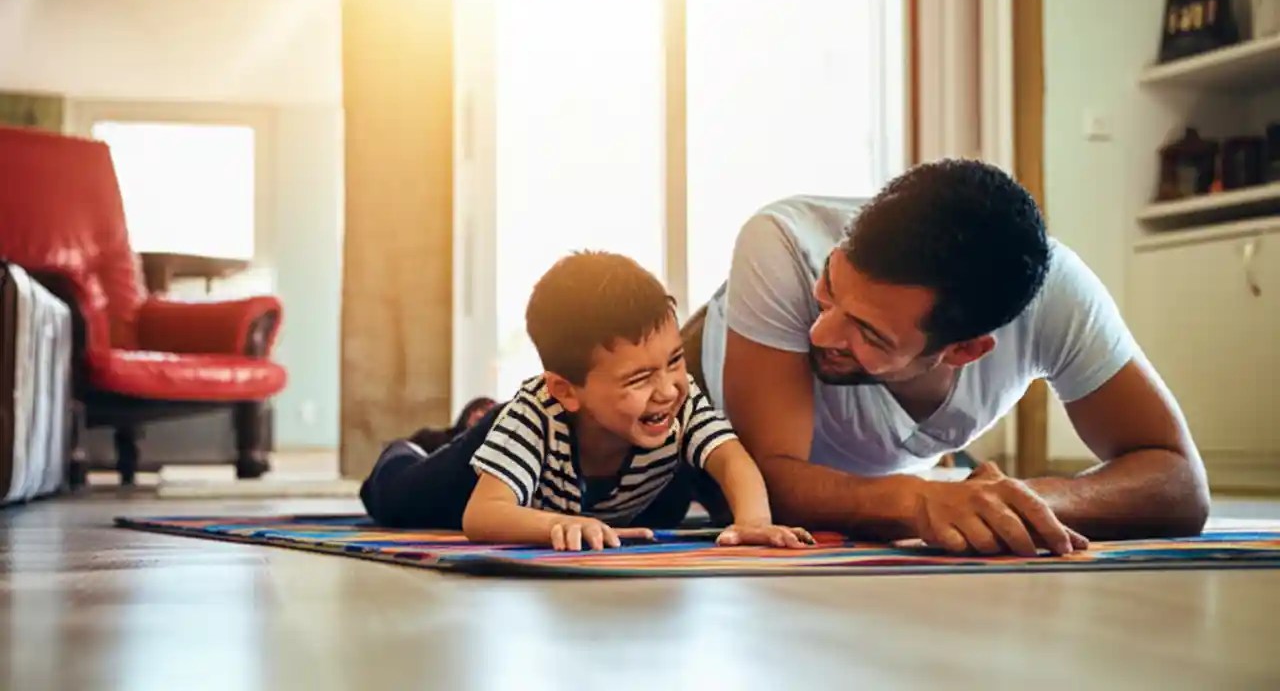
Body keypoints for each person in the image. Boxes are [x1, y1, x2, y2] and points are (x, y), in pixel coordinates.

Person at [682, 159, 1209, 557]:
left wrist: (1022, 499)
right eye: (831, 285)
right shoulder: (782, 244)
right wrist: (915, 501)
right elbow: (768, 481)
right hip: (694, 432)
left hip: (883, 458)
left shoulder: (1057, 298)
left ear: (965, 351)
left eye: (868, 331)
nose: (820, 333)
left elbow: (1180, 482)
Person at [361, 251, 813, 552]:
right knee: (399, 499)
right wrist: (554, 524)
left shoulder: (678, 397)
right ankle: (448, 433)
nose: (668, 388)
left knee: (672, 492)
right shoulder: (536, 415)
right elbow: (482, 515)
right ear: (565, 389)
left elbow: (731, 458)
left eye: (674, 360)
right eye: (639, 378)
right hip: (497, 459)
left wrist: (754, 519)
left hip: (615, 494)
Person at [404, 396, 498, 454]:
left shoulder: (488, 453)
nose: (481, 415)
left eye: (489, 413)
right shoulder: (430, 438)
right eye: (482, 409)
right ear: (469, 412)